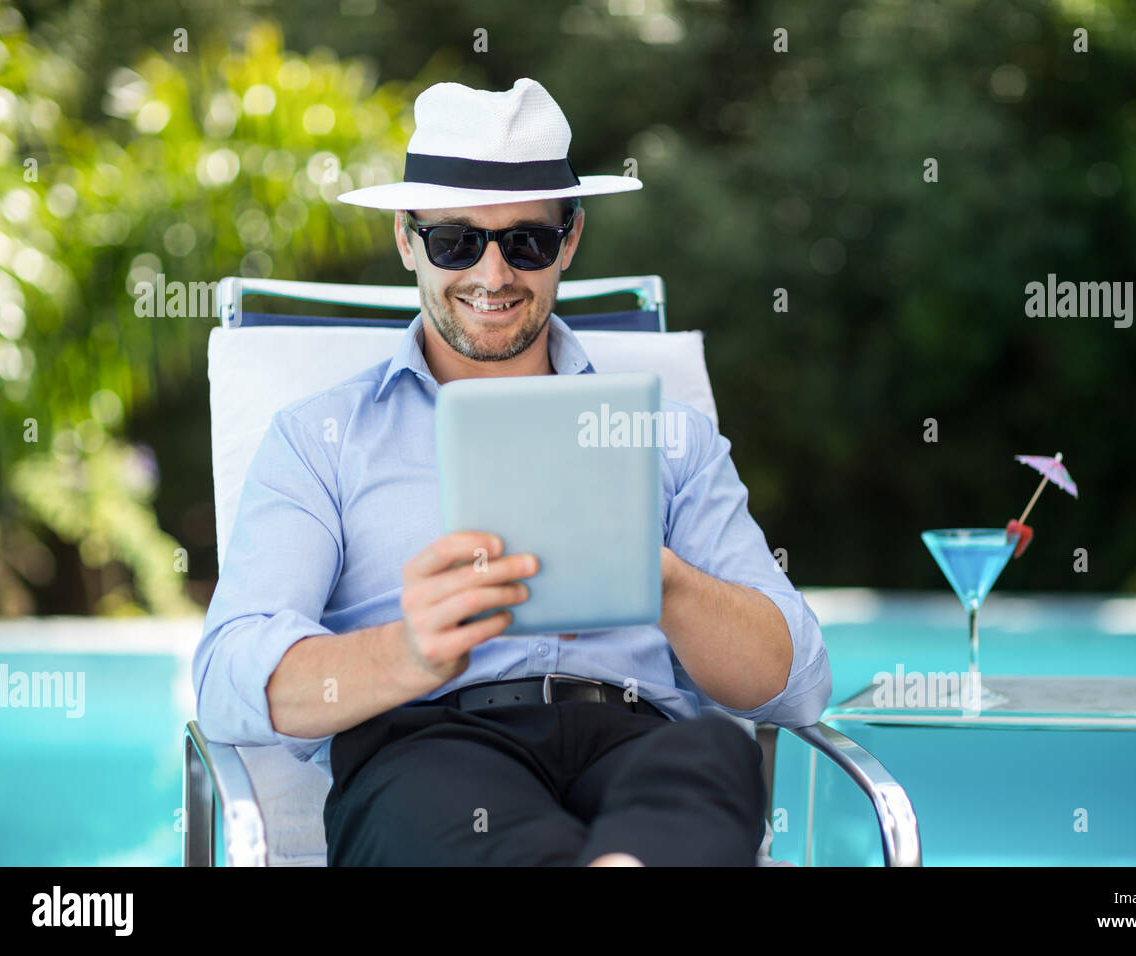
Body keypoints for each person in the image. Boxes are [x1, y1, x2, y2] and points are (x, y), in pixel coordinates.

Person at [193, 77, 832, 866]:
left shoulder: (668, 435)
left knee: (712, 755)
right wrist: (408, 654)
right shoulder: (321, 440)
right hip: (429, 741)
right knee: (435, 799)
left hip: (636, 738)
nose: (493, 276)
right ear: (406, 240)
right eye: (455, 240)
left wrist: (660, 579)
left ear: (569, 240)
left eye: (526, 241)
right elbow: (226, 678)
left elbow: (797, 685)